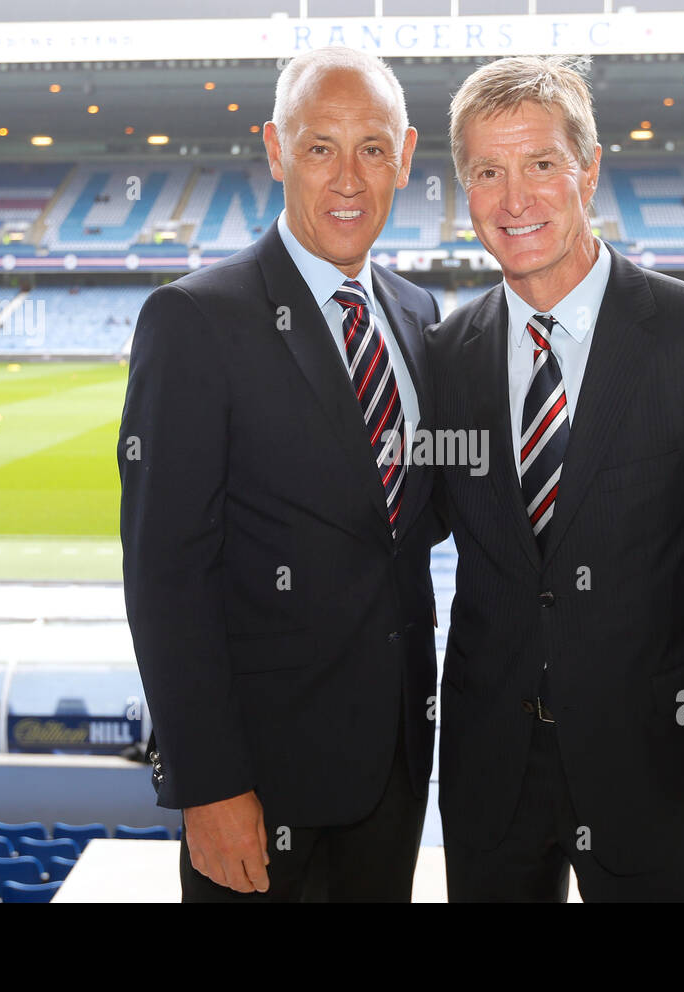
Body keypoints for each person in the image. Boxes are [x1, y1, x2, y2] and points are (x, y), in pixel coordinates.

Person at [425, 55, 684, 902]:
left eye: (540, 165)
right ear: (464, 191)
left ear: (589, 171)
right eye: (488, 172)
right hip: (491, 773)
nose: (514, 198)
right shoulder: (445, 356)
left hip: (660, 771)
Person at [118, 46, 444, 902]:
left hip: (397, 774)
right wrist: (208, 785)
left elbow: (403, 526)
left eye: (372, 148)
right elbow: (164, 575)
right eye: (319, 146)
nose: (347, 177)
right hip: (259, 789)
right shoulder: (194, 320)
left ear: (406, 157)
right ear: (273, 150)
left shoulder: (417, 314)